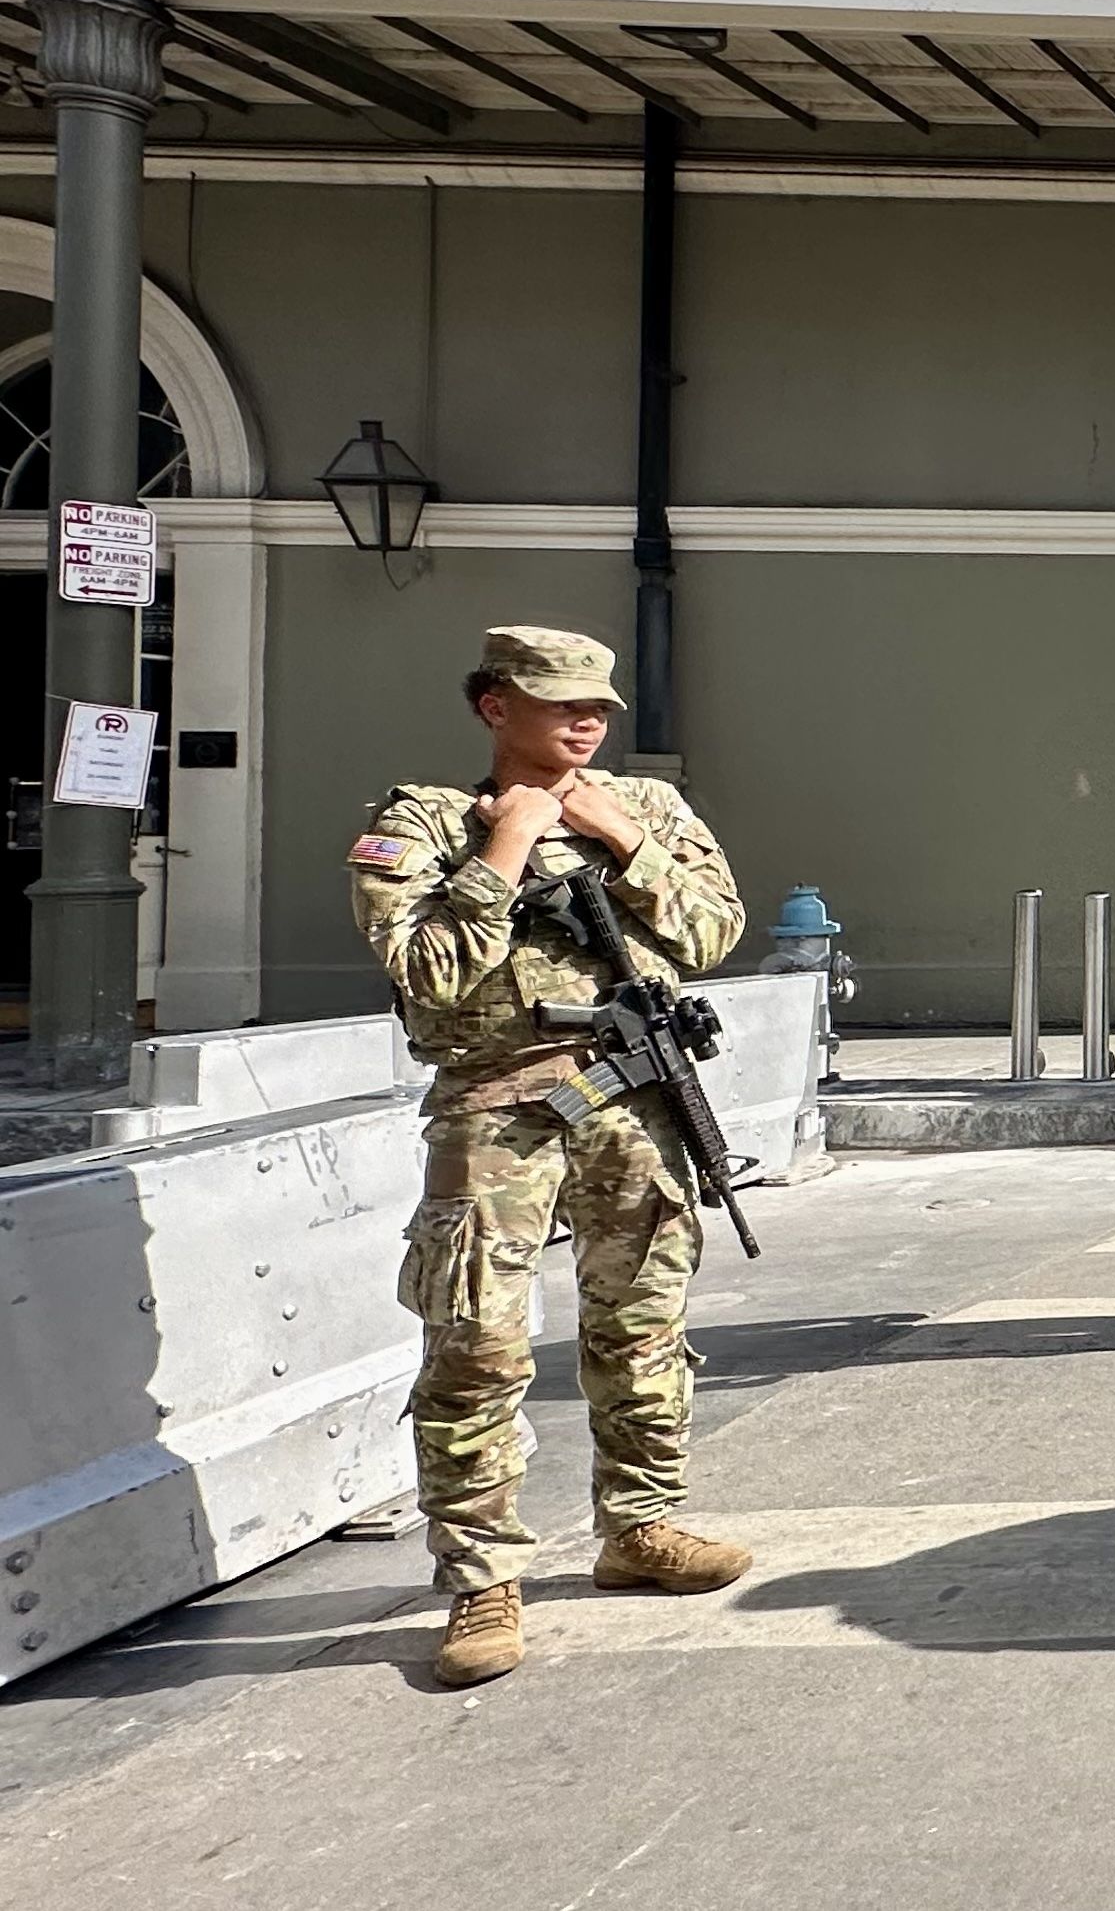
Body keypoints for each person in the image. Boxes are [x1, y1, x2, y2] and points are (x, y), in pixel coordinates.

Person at [348, 625, 756, 1689]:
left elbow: (714, 934)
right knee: (477, 1344)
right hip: (495, 1115)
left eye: (599, 708)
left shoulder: (649, 808)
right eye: (558, 702)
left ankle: (641, 1527)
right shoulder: (425, 825)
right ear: (494, 706)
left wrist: (622, 839)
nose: (585, 721)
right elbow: (427, 973)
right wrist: (505, 851)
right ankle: (483, 1581)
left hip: (633, 1099)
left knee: (643, 1326)